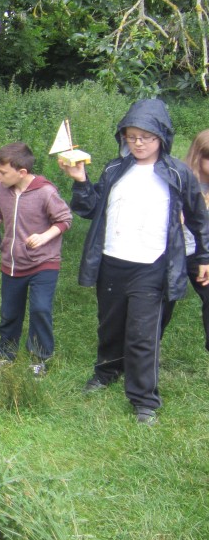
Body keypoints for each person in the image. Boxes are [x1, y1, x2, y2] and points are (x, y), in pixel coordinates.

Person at [60, 99, 209, 425]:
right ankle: (106, 372)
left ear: (162, 137)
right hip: (113, 260)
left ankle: (144, 400)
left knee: (143, 333)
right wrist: (81, 180)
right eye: (132, 136)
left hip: (153, 264)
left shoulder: (178, 173)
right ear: (123, 136)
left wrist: (204, 256)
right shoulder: (115, 169)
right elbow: (89, 209)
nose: (139, 143)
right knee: (110, 325)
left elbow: (200, 219)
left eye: (146, 137)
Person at [0, 142, 72, 375]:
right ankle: (6, 354)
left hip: (43, 263)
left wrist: (44, 237)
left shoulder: (45, 192)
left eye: (3, 172)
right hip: (12, 264)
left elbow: (64, 220)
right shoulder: (3, 190)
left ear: (22, 172)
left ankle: (39, 358)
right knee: (9, 313)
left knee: (40, 309)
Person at [162, 130, 209, 352]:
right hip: (175, 252)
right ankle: (148, 349)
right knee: (164, 304)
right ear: (199, 156)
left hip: (203, 255)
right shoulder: (178, 178)